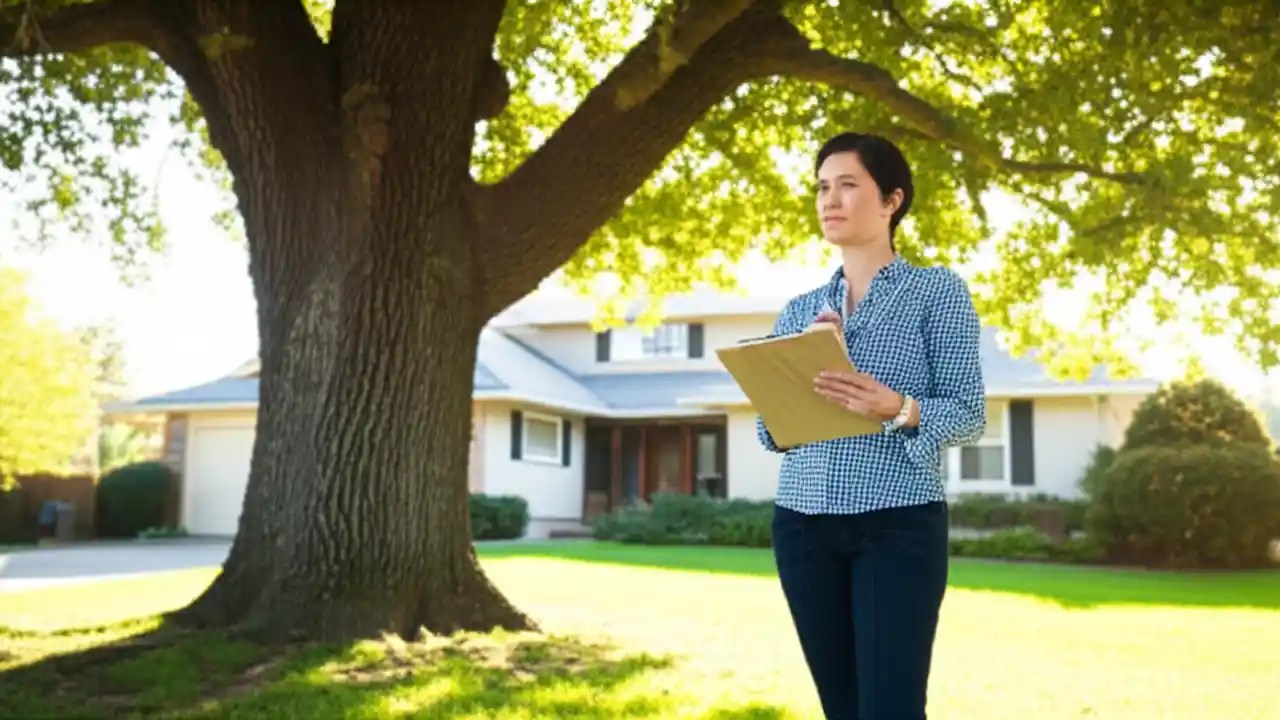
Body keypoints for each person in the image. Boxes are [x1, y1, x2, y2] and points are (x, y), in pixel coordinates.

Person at [756, 131, 986, 719]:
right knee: (842, 707)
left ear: (892, 201)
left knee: (891, 708)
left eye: (848, 185)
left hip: (897, 525)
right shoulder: (800, 310)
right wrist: (806, 365)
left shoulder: (938, 293)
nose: (830, 199)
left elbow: (967, 413)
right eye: (822, 188)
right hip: (803, 527)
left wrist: (898, 406)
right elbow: (771, 433)